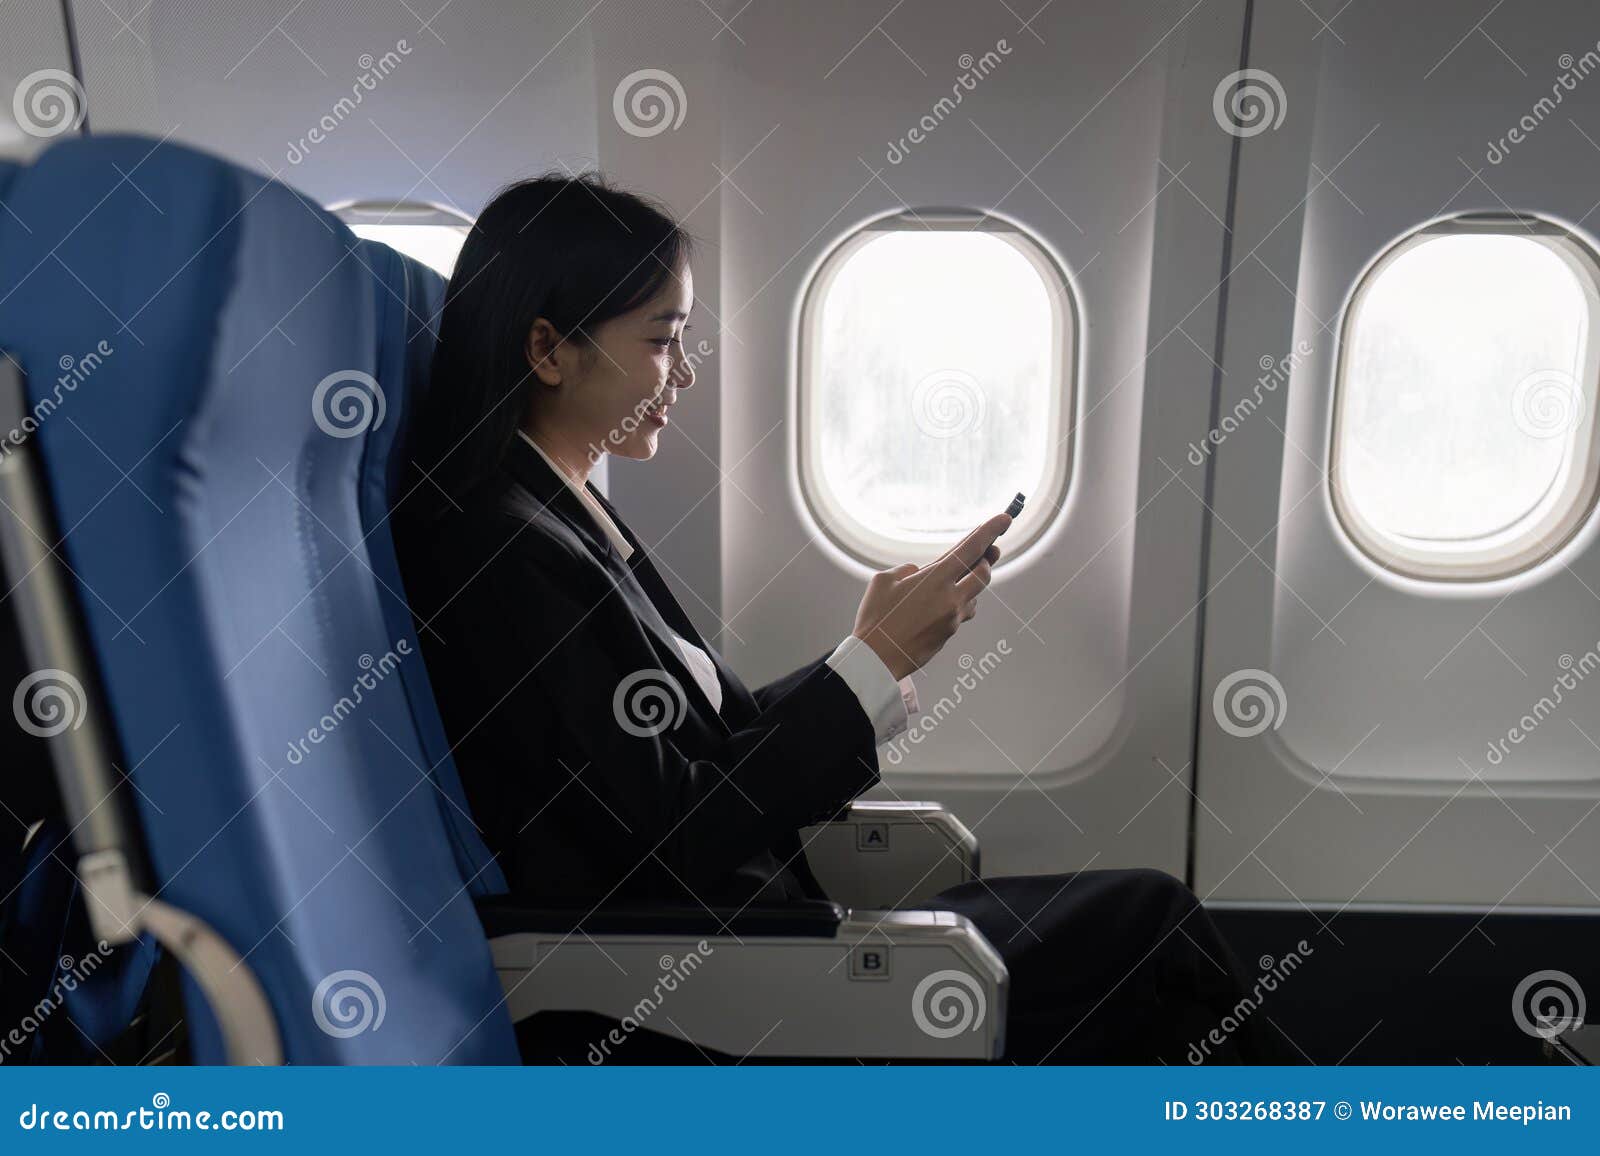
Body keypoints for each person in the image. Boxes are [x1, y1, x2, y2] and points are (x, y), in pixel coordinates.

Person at [394, 173, 1283, 1064]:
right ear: (549, 349)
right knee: (1151, 928)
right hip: (707, 986)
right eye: (663, 340)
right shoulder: (504, 553)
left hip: (758, 932)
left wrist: (873, 656)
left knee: (1143, 928)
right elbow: (672, 837)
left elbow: (703, 747)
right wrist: (871, 661)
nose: (685, 372)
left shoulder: (564, 514)